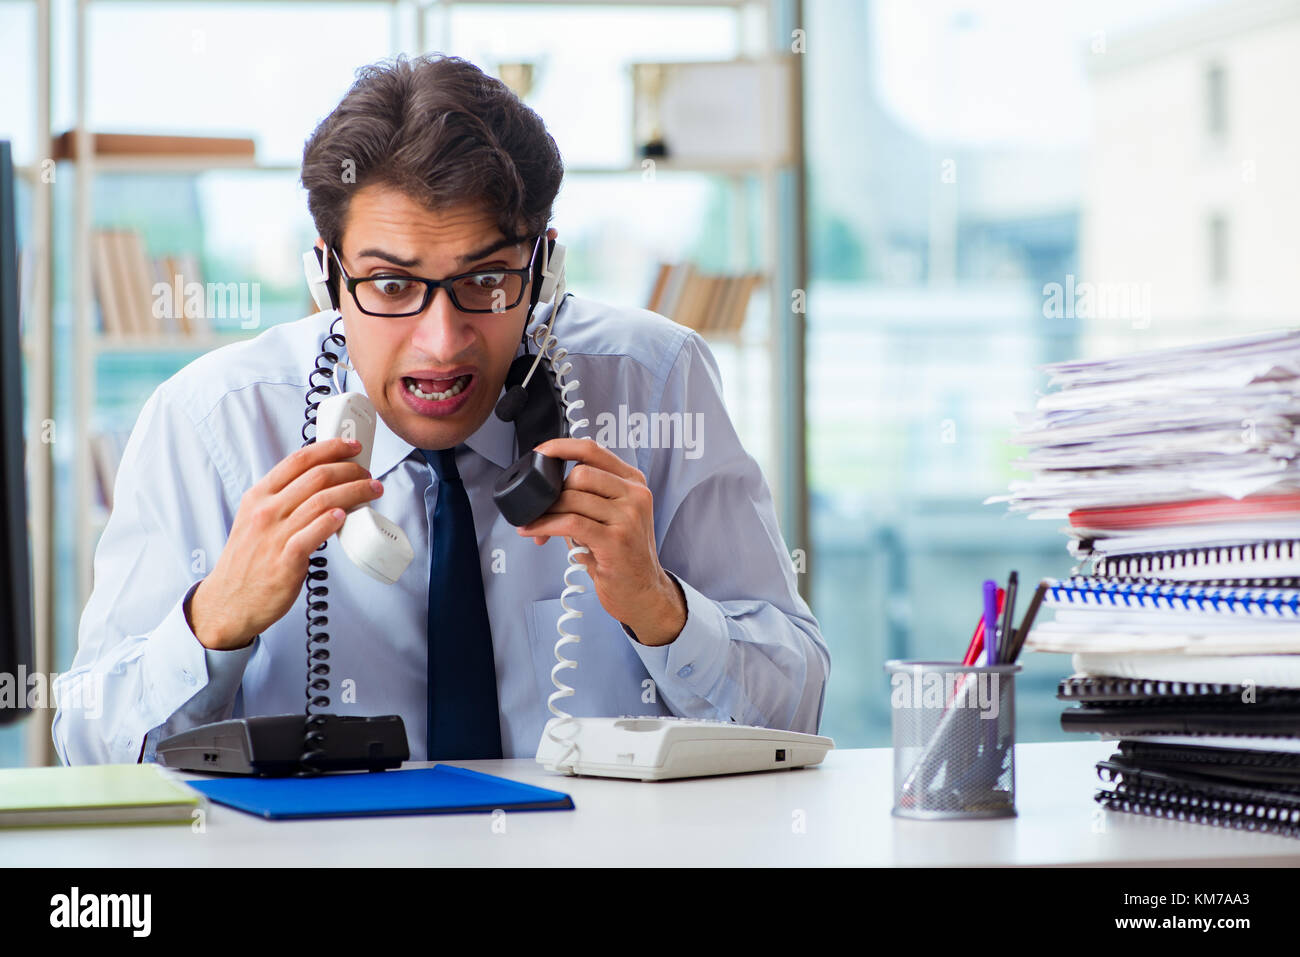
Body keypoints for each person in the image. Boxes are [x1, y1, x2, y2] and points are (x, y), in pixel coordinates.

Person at [52, 53, 829, 764]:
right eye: (391, 284)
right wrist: (214, 619)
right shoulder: (210, 423)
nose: (442, 340)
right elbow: (90, 745)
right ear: (326, 274)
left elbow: (797, 715)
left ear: (545, 267)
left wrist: (661, 608)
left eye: (486, 280)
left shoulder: (656, 383)